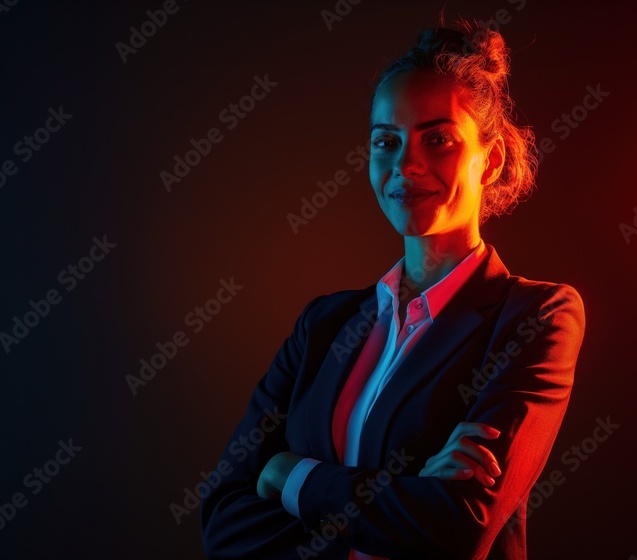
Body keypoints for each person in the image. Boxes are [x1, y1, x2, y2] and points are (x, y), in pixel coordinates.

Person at [201, 13, 585, 560]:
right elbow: (222, 520)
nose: (406, 164)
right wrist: (405, 502)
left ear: (491, 160)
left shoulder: (535, 316)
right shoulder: (323, 323)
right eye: (387, 141)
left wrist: (287, 475)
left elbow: (458, 527)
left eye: (439, 139)